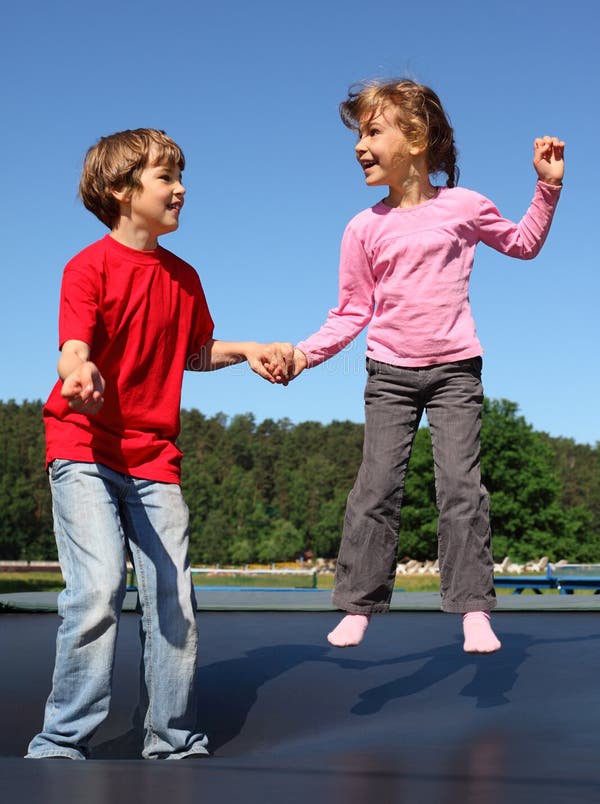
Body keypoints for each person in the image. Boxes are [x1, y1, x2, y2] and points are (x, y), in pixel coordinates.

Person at [26, 128, 293, 760]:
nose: (180, 188)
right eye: (165, 177)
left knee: (173, 599)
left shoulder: (183, 276)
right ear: (121, 190)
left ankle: (172, 739)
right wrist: (77, 370)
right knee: (95, 593)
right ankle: (61, 741)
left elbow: (195, 352)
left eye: (180, 176)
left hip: (153, 458)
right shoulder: (87, 267)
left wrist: (248, 350)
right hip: (83, 447)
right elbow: (74, 343)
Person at [286, 79, 564, 653]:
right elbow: (351, 311)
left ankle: (473, 609)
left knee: (462, 488)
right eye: (358, 135)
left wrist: (547, 188)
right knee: (375, 487)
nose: (360, 146)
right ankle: (360, 603)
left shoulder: (462, 207)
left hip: (456, 371)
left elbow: (521, 244)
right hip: (388, 373)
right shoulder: (362, 228)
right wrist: (304, 354)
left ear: (415, 138)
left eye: (372, 131)